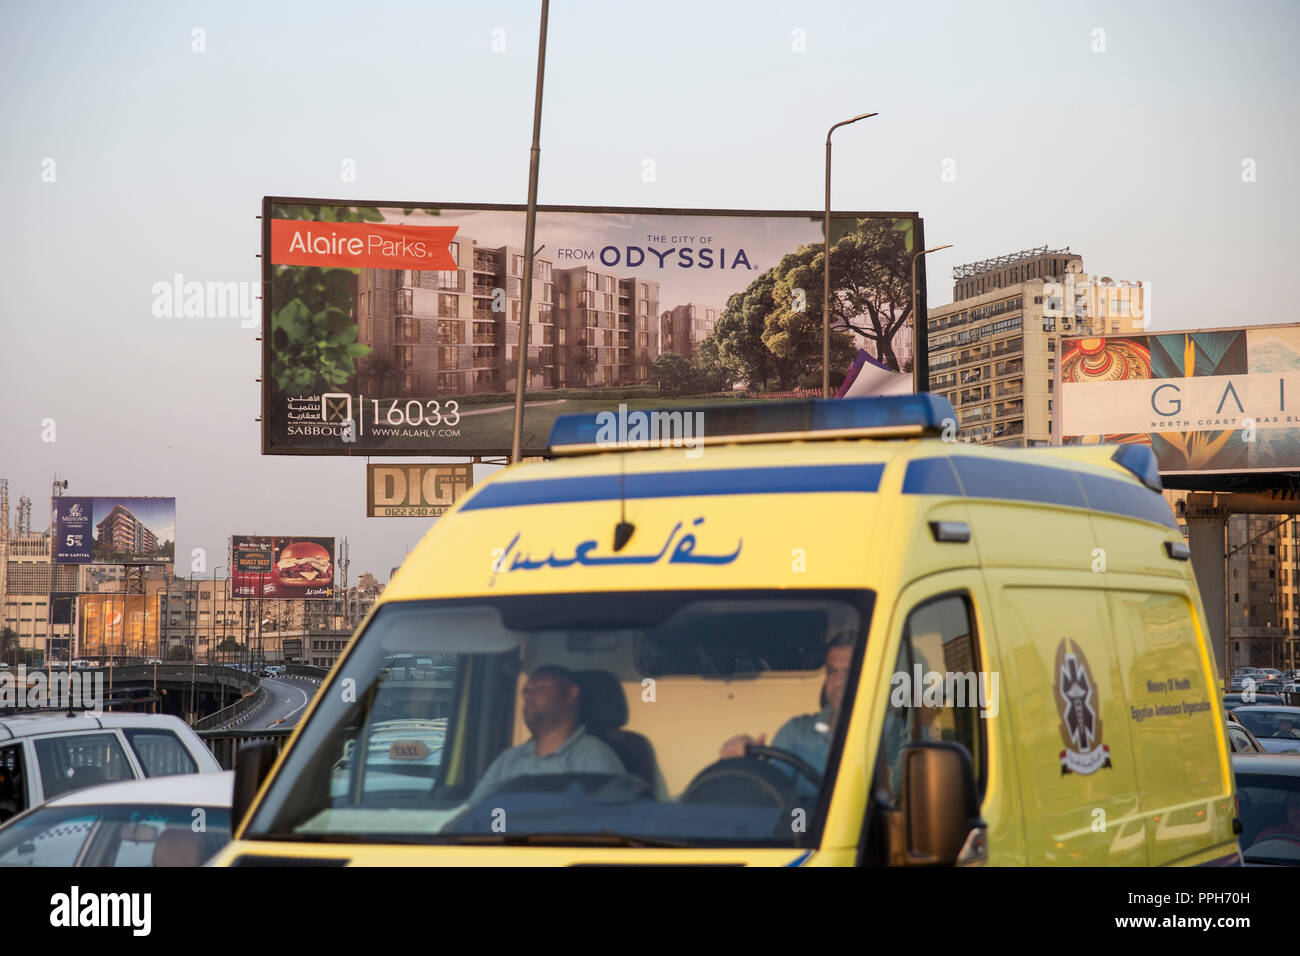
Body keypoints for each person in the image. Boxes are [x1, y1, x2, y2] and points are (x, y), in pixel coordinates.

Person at [718, 635, 854, 798]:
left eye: (848, 672)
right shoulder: (797, 731)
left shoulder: (887, 729)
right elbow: (772, 787)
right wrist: (747, 761)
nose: (838, 682)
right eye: (832, 672)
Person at [467, 665, 625, 802]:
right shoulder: (508, 760)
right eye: (526, 691)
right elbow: (474, 814)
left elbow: (608, 822)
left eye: (539, 687)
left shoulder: (594, 755)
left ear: (571, 694)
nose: (527, 696)